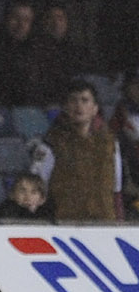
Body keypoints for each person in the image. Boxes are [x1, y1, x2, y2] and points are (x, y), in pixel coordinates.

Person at [39, 80, 122, 221]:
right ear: (65, 107)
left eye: (85, 100)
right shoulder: (52, 142)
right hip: (66, 222)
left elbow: (116, 187)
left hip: (105, 221)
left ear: (95, 108)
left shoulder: (109, 142)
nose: (79, 106)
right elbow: (41, 184)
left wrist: (119, 220)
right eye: (73, 100)